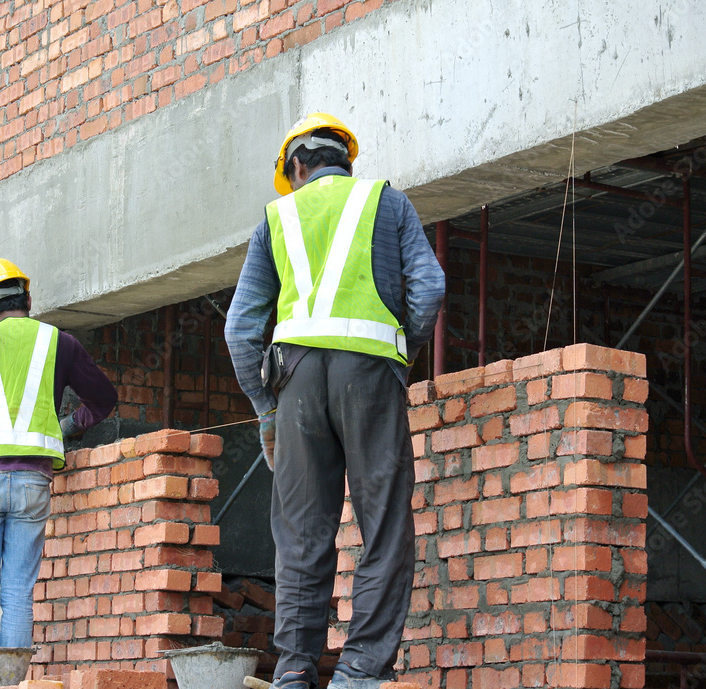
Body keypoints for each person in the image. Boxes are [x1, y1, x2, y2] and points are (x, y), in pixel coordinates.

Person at [226, 113, 445, 688]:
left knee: (301, 531)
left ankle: (294, 673)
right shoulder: (387, 203)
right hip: (371, 375)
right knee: (385, 525)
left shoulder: (275, 220)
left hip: (295, 381)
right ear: (345, 158)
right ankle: (361, 670)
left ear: (296, 166)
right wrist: (400, 353)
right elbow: (430, 288)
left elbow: (239, 330)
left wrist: (266, 411)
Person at [0, 258, 117, 647]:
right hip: (32, 479)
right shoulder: (59, 342)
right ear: (27, 298)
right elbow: (104, 399)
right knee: (16, 593)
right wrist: (69, 426)